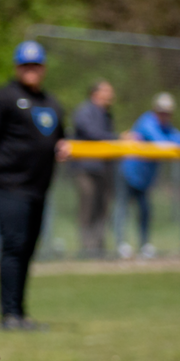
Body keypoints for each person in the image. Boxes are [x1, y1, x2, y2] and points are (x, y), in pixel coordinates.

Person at [0, 41, 70, 331]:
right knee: (13, 247)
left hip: (38, 189)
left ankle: (20, 313)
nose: (31, 70)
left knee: (26, 249)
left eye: (35, 64)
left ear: (43, 67)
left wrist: (61, 146)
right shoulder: (4, 97)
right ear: (17, 67)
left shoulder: (51, 102)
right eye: (26, 65)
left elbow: (57, 138)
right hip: (8, 186)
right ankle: (9, 315)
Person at [119, 92, 180, 260]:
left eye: (167, 112)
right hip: (129, 172)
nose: (164, 115)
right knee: (123, 209)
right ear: (155, 110)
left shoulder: (166, 127)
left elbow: (176, 138)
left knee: (145, 211)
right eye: (161, 111)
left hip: (145, 178)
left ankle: (144, 244)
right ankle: (121, 243)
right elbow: (160, 141)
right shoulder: (147, 122)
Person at [71, 80, 119, 258]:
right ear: (95, 93)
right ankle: (87, 248)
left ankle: (99, 247)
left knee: (103, 207)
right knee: (88, 206)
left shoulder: (107, 114)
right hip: (86, 169)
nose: (110, 95)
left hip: (103, 169)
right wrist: (118, 138)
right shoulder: (84, 111)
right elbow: (91, 133)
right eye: (107, 91)